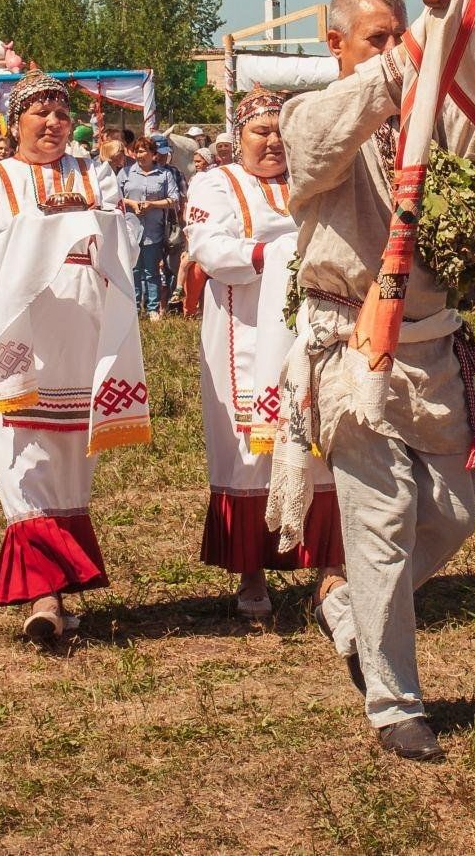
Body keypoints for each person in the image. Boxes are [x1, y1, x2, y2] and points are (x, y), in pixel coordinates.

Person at [280, 0, 475, 762]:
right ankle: (396, 703)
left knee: (453, 514)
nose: (396, 52)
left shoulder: (430, 127)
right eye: (378, 39)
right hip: (349, 349)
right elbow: (326, 138)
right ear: (336, 46)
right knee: (380, 521)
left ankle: (351, 613)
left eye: (403, 36)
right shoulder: (308, 117)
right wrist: (415, 59)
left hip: (434, 348)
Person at [0, 71, 145, 647]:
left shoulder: (95, 174)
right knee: (21, 455)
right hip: (24, 335)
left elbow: (126, 237)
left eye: (61, 115)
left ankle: (58, 587)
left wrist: (94, 222)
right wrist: (50, 227)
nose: (52, 124)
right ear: (15, 124)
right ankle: (42, 593)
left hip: (84, 332)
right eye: (39, 115)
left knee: (68, 455)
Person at [187, 88, 345, 616]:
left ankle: (332, 568)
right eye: (262, 131)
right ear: (239, 138)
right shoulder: (216, 183)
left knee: (325, 438)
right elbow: (209, 247)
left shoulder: (315, 181)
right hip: (243, 332)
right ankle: (252, 574)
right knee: (250, 450)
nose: (274, 141)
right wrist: (278, 253)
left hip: (315, 326)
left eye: (282, 131)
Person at [121, 133, 181, 319]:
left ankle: (152, 309)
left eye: (144, 151)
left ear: (153, 154)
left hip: (153, 230)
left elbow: (174, 199)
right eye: (137, 151)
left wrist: (153, 204)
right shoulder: (126, 172)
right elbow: (115, 198)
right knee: (133, 270)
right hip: (130, 229)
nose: (140, 155)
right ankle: (134, 308)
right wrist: (131, 203)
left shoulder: (164, 174)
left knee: (152, 271)